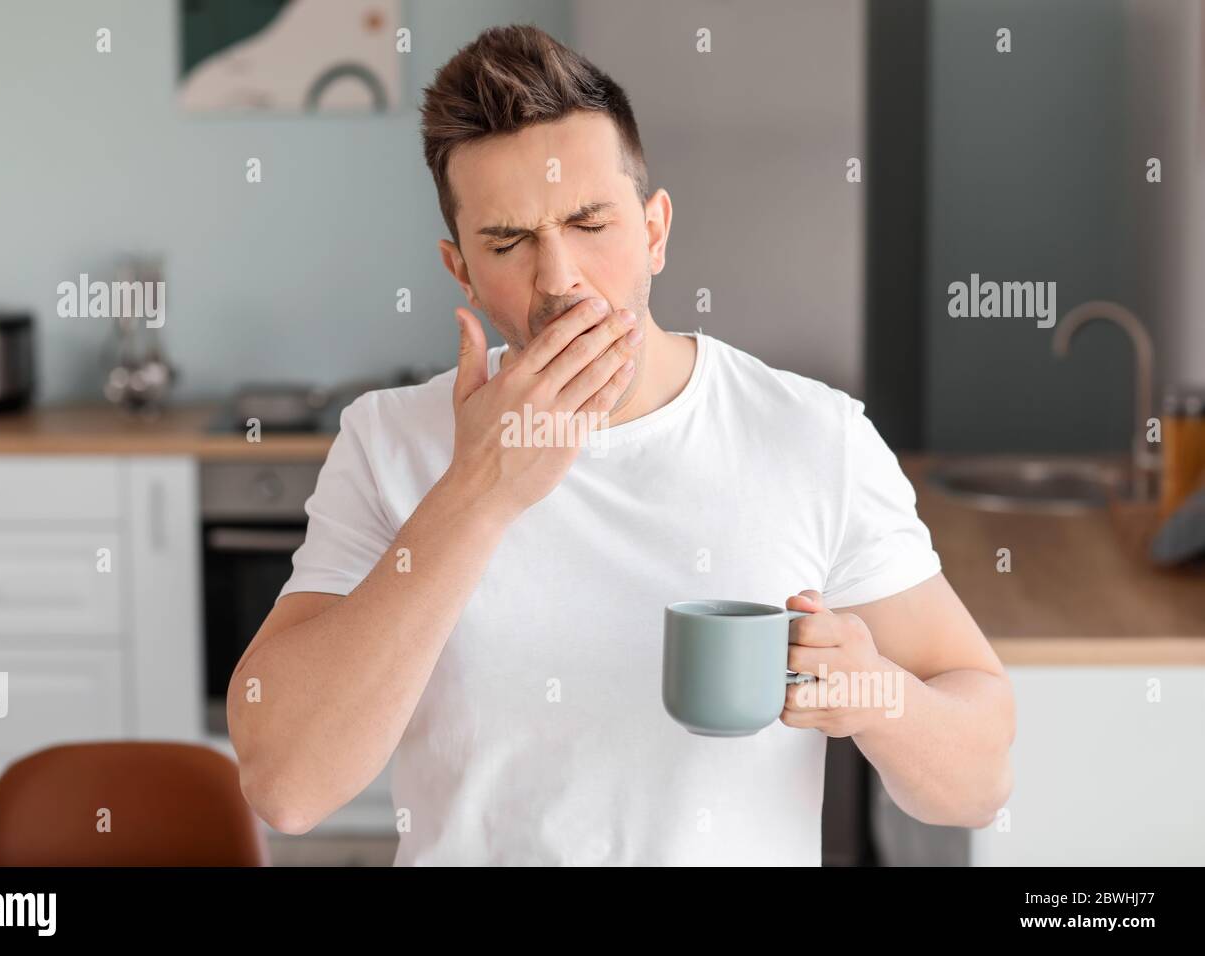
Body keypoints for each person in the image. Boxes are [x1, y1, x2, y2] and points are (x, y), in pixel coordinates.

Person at [228, 24, 1014, 866]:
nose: (559, 276)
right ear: (461, 271)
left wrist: (876, 697)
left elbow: (979, 780)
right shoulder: (387, 441)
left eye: (588, 221)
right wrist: (481, 492)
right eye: (509, 242)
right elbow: (289, 786)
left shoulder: (813, 435)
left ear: (655, 230)